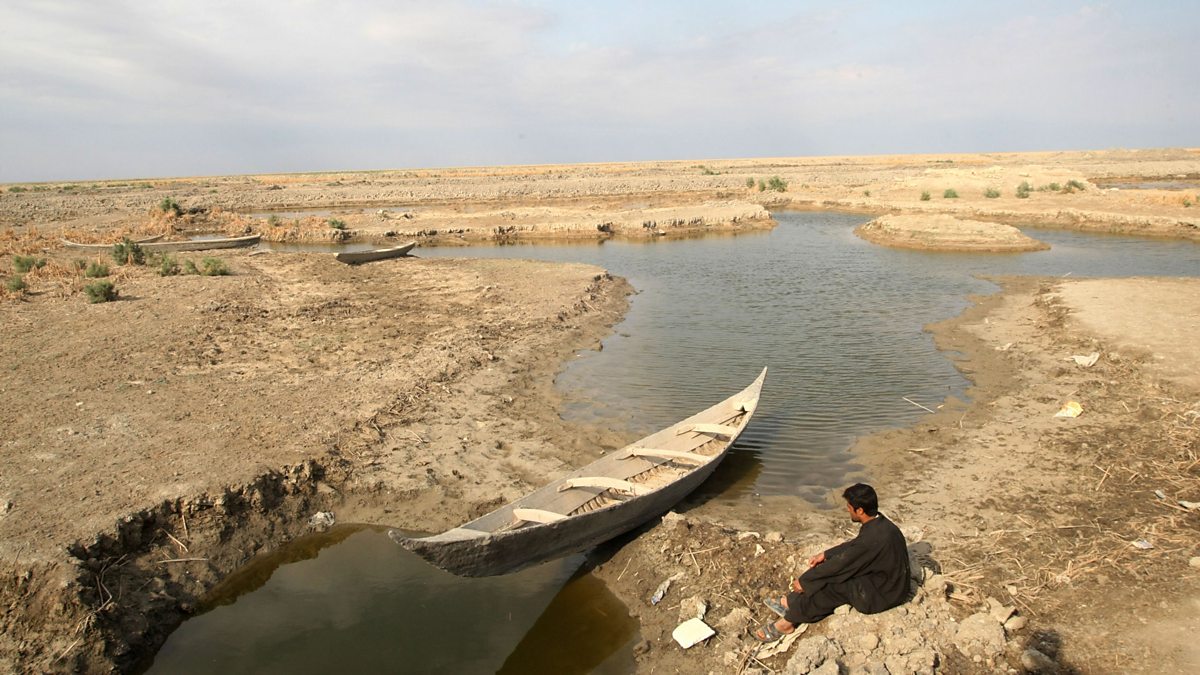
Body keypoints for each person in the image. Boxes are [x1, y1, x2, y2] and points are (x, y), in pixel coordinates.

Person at [754, 483, 911, 642]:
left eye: (849, 507)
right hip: (891, 584)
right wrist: (826, 554)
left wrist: (806, 581)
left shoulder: (872, 539)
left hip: (884, 594)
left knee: (831, 585)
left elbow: (841, 565)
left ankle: (788, 622)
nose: (847, 510)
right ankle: (790, 602)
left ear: (860, 510)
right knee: (827, 573)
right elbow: (854, 545)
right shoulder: (880, 523)